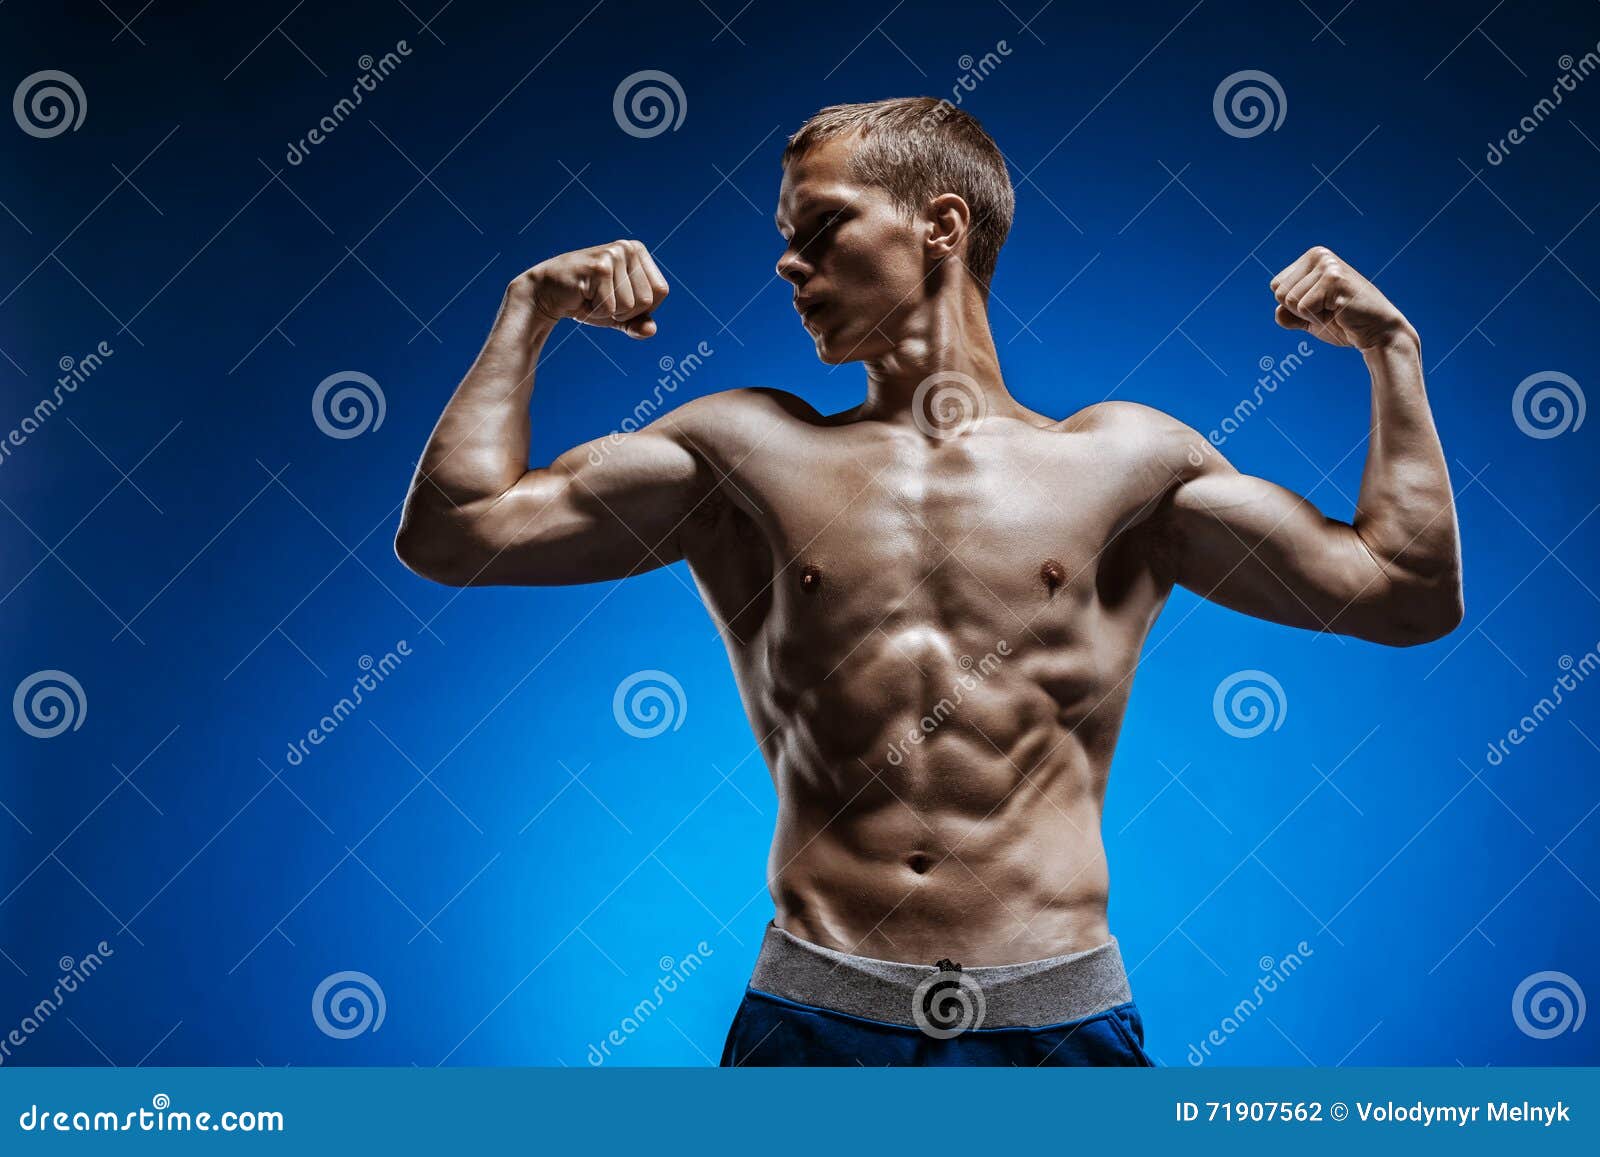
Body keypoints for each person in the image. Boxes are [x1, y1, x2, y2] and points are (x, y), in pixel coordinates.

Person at [394, 97, 1462, 1066]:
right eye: (784, 240)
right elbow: (456, 532)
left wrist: (1391, 352)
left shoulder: (1123, 465)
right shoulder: (742, 453)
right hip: (814, 1017)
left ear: (939, 228)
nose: (787, 266)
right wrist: (529, 309)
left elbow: (1402, 589)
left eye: (820, 229)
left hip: (1056, 1023)